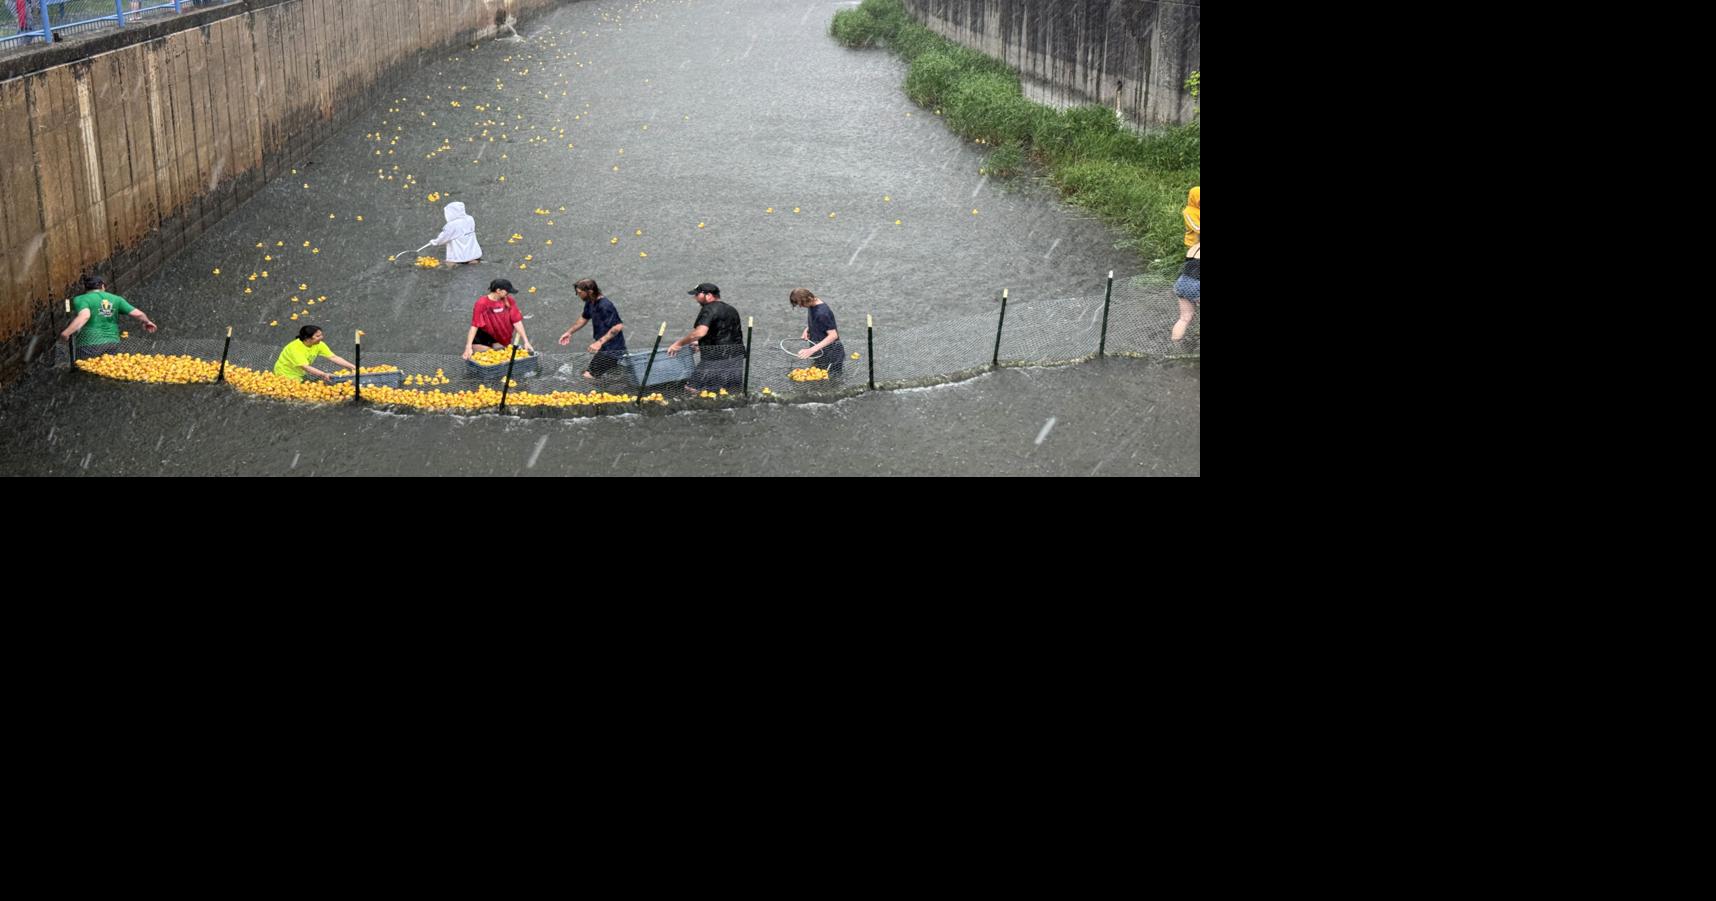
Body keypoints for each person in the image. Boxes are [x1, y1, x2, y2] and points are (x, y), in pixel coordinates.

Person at [666, 283, 744, 393]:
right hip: (736, 356)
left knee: (692, 388)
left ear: (708, 295)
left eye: (697, 295)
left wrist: (678, 344)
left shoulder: (709, 309)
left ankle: (697, 408)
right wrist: (701, 343)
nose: (695, 298)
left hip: (715, 357)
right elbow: (725, 332)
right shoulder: (731, 309)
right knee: (728, 390)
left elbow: (699, 333)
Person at [61, 275, 157, 360]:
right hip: (112, 344)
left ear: (86, 288)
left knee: (88, 370)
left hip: (88, 344)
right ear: (103, 286)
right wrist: (147, 322)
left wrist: (66, 333)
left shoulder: (80, 299)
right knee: (109, 369)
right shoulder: (116, 299)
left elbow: (84, 315)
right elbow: (138, 314)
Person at [557, 278, 627, 379]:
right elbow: (584, 318)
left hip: (612, 349)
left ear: (590, 292)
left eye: (580, 293)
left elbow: (618, 326)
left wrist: (599, 343)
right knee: (607, 372)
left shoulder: (605, 306)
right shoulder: (590, 302)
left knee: (587, 376)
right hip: (604, 347)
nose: (578, 295)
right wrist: (569, 332)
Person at [463, 278, 535, 360]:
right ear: (498, 291)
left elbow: (517, 321)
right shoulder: (481, 303)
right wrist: (468, 346)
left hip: (501, 337)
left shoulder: (509, 301)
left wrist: (526, 341)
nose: (508, 294)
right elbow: (475, 325)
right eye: (506, 292)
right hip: (484, 337)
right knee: (486, 358)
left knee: (501, 357)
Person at [789, 288, 844, 379]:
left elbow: (833, 335)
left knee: (831, 382)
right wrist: (808, 329)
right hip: (820, 351)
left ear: (809, 298)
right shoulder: (812, 305)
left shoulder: (822, 313)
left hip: (831, 354)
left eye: (802, 304)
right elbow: (818, 322)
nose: (801, 306)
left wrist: (811, 350)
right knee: (817, 378)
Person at [273, 324, 357, 383]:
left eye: (321, 335)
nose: (321, 337)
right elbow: (306, 367)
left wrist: (354, 367)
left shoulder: (319, 344)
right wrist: (323, 374)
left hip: (300, 372)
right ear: (307, 338)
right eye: (317, 336)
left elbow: (333, 357)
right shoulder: (295, 348)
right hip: (286, 373)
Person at [1172, 186, 1200, 343]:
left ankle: (1174, 346)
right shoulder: (1189, 212)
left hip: (1182, 284)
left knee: (1184, 318)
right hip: (1197, 285)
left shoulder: (1193, 249)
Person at [429, 201, 482, 265]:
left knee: (447, 264)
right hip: (474, 254)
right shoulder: (470, 219)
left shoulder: (451, 225)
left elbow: (443, 238)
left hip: (458, 257)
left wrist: (434, 242)